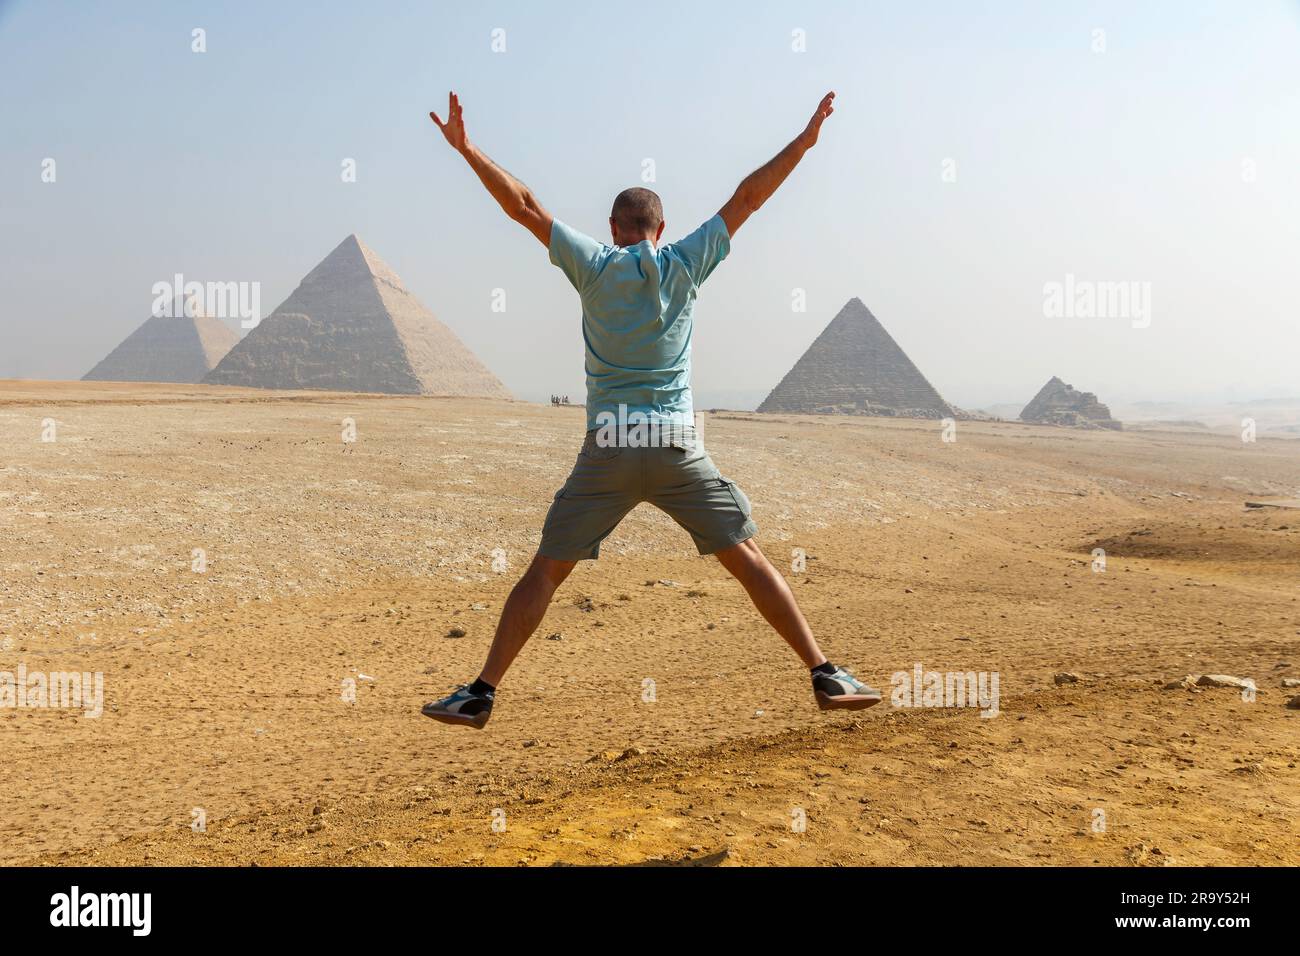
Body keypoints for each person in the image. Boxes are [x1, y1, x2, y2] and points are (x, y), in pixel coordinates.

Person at [422, 91, 880, 729]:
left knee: (547, 572)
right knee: (747, 559)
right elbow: (748, 198)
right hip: (673, 444)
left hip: (607, 445)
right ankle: (824, 673)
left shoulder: (592, 265)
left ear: (612, 230)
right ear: (660, 231)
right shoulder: (685, 263)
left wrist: (467, 149)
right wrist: (803, 144)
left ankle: (481, 692)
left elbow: (522, 206)